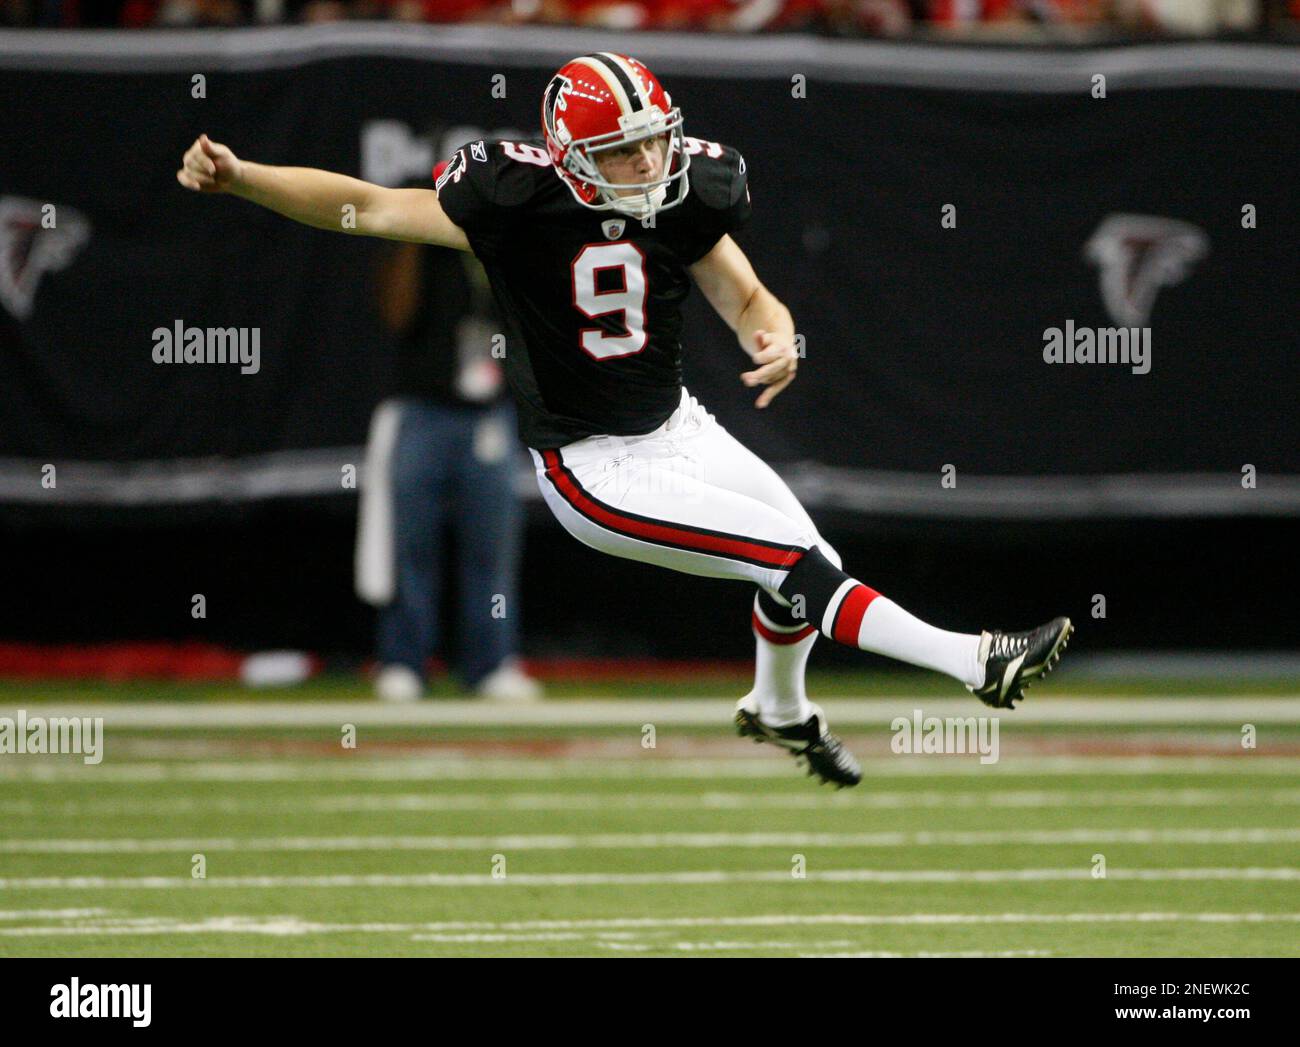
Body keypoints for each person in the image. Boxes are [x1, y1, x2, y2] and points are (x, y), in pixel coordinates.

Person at [176, 51, 1071, 787]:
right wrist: (244, 177)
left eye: (655, 143)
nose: (648, 165)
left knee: (810, 567)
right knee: (792, 565)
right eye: (624, 152)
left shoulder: (685, 191)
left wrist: (780, 337)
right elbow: (367, 207)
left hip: (677, 425)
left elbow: (748, 294)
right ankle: (971, 659)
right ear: (570, 156)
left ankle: (780, 709)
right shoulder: (516, 204)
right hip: (592, 465)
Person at [357, 175, 540, 703]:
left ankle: (492, 662)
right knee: (410, 546)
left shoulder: (497, 248)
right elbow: (396, 313)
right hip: (420, 412)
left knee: (492, 545)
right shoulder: (418, 249)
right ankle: (403, 660)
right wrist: (417, 230)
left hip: (487, 413)